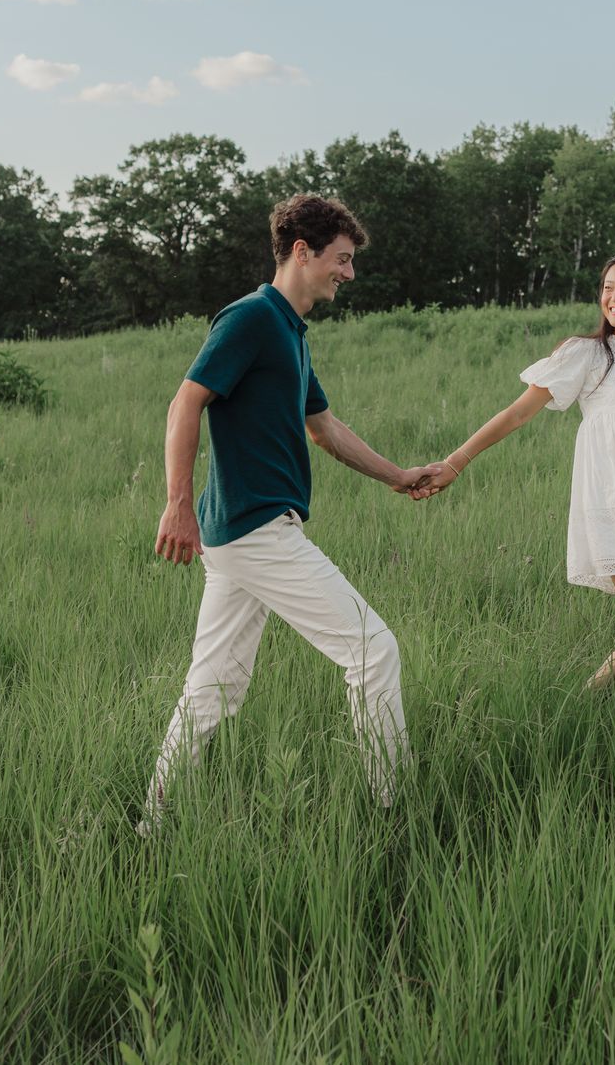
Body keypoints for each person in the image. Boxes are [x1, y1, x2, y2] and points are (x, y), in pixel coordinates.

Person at [140, 194, 437, 833]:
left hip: (241, 532)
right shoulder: (251, 318)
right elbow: (185, 402)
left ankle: (154, 822)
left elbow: (324, 428)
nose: (349, 273)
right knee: (373, 650)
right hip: (255, 528)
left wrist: (398, 476)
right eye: (342, 259)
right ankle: (393, 810)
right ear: (302, 252)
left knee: (213, 689)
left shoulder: (291, 332)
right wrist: (176, 504)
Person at [414, 250, 615, 687]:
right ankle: (584, 707)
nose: (614, 296)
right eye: (607, 288)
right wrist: (454, 462)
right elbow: (517, 413)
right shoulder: (587, 354)